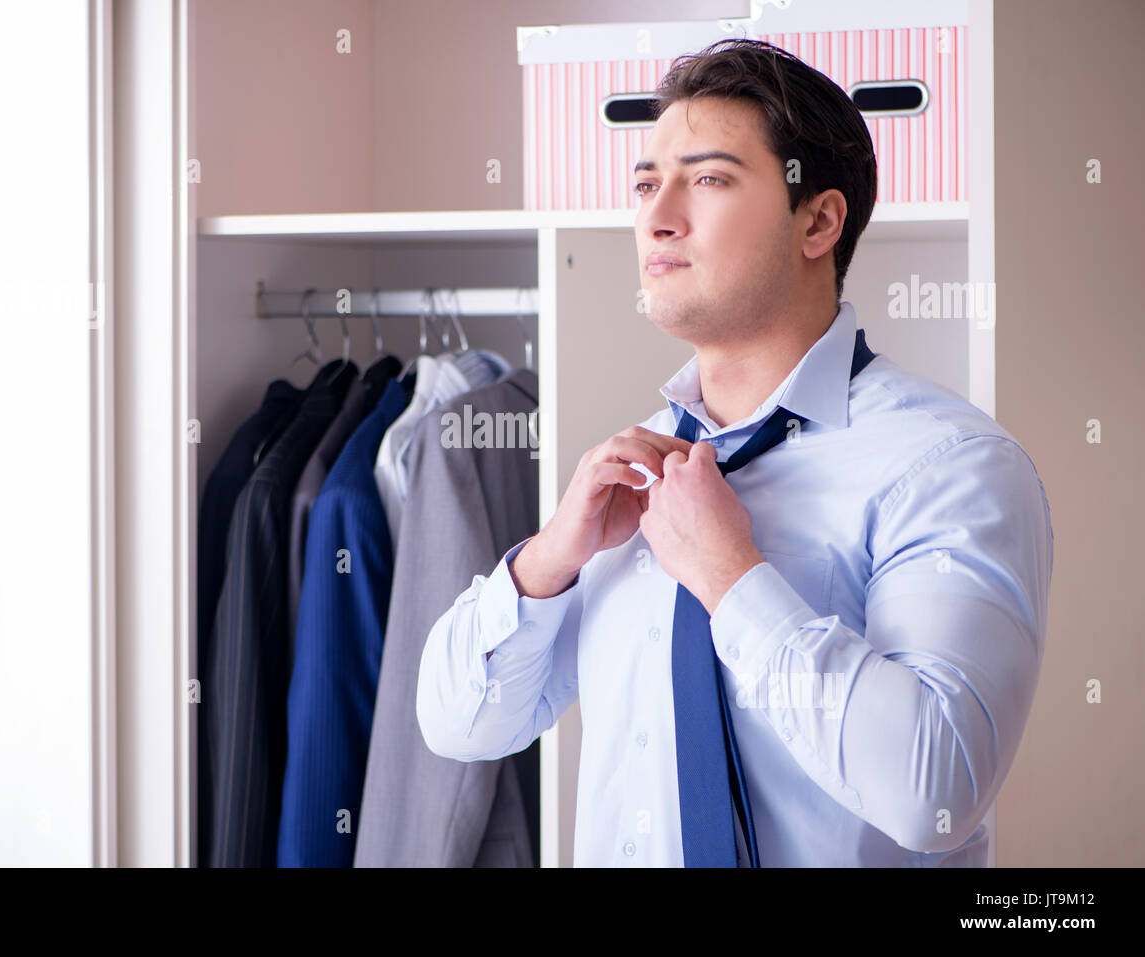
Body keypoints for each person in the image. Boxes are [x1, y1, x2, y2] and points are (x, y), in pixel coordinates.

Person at [415, 39, 1053, 866]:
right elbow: (458, 725)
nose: (657, 214)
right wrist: (545, 562)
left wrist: (733, 578)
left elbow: (935, 791)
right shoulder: (629, 482)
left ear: (818, 219)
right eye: (646, 184)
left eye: (708, 179)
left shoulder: (951, 467)